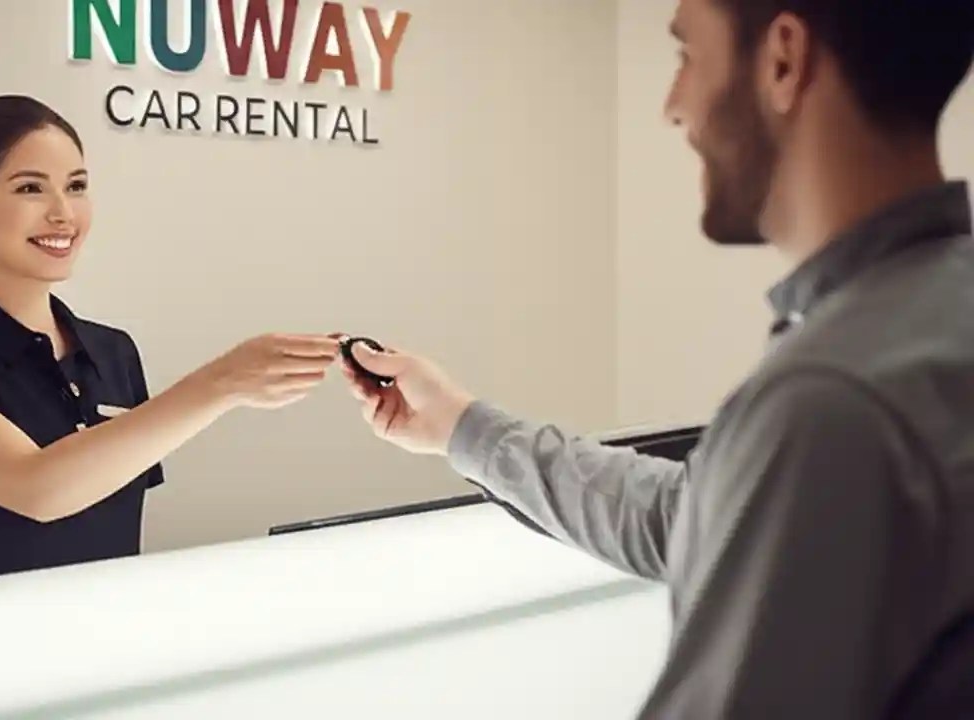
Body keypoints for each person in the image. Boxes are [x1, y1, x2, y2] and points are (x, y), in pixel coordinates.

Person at [338, 0, 974, 717]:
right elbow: (700, 521)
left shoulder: (832, 403)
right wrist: (462, 426)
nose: (673, 109)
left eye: (685, 58)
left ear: (783, 61)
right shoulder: (934, 324)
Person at [0, 94, 339, 584]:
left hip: (112, 643)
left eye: (76, 186)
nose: (63, 213)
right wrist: (222, 383)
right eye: (31, 188)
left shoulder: (112, 353)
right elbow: (37, 488)